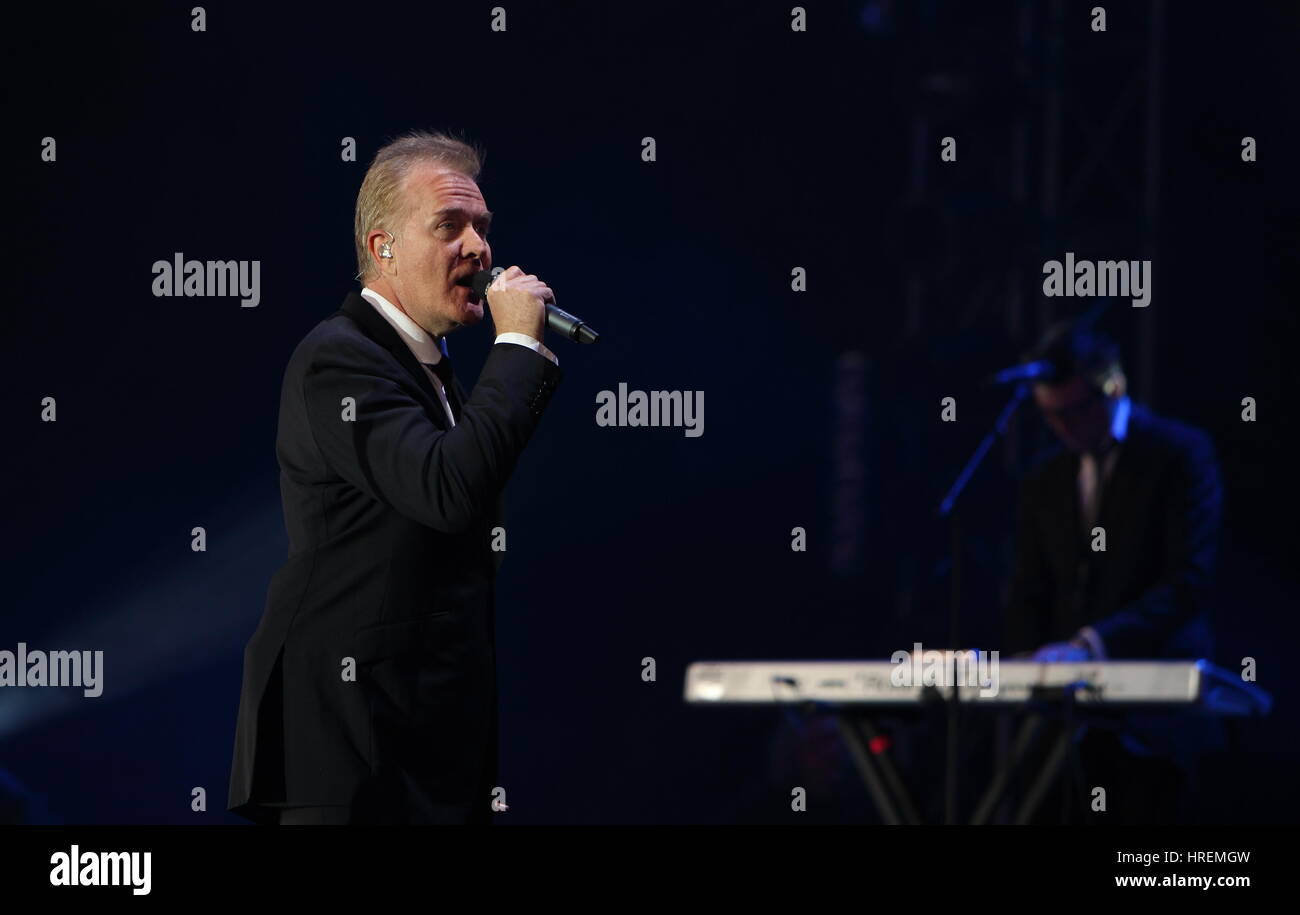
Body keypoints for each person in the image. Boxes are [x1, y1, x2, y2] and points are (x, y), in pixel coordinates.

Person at [227, 129, 562, 824]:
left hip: (423, 751)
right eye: (450, 225)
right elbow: (447, 488)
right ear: (383, 247)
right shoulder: (339, 360)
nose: (479, 247)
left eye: (482, 227)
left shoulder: (429, 372)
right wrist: (519, 345)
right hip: (353, 753)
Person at [1002, 322, 1224, 823]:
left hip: (1154, 715)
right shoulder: (1046, 477)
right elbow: (1028, 586)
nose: (1063, 427)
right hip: (1065, 719)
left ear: (1112, 386)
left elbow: (1188, 581)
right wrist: (1022, 660)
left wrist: (1090, 646)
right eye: (1050, 416)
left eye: (1074, 411)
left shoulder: (1179, 454)